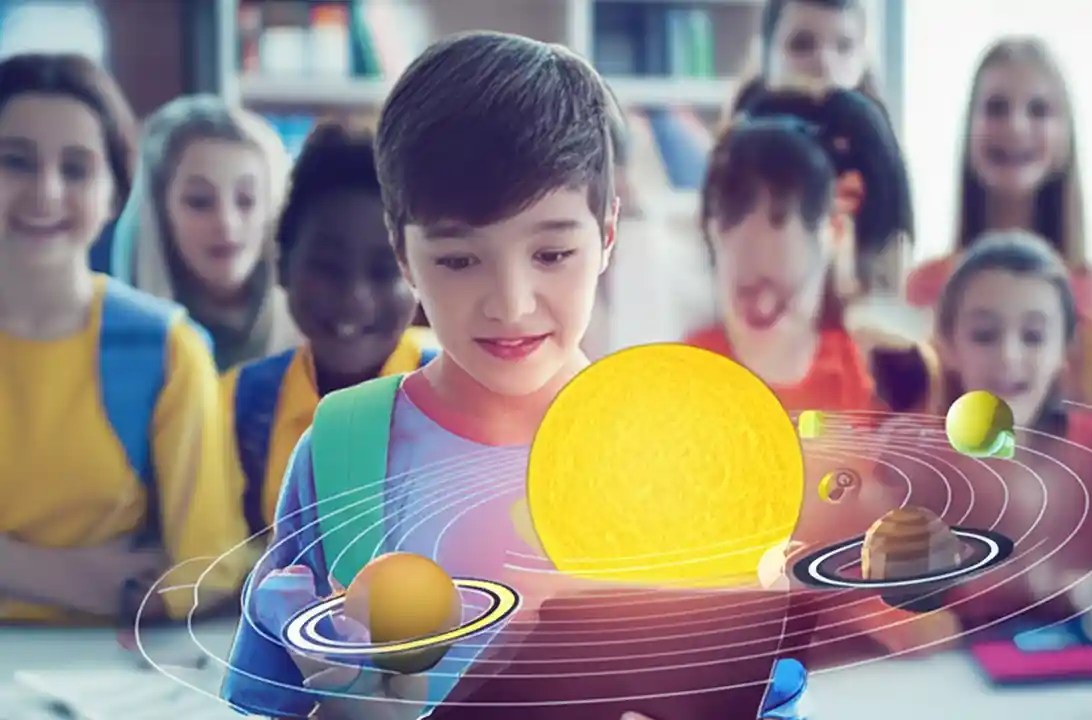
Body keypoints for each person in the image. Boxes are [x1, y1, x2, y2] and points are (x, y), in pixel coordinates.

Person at [221, 32, 790, 720]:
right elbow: (261, 703)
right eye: (460, 260)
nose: (511, 303)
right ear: (403, 253)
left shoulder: (685, 458)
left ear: (607, 233)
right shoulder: (343, 453)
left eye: (552, 252)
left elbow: (763, 699)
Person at [0, 53, 249, 625]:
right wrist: (70, 575)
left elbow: (211, 571)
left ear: (114, 194)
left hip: (109, 681)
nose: (45, 192)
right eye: (15, 162)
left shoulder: (165, 349)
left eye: (77, 168)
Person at [867, 232, 1092, 632]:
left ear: (1065, 349)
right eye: (984, 335)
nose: (1009, 356)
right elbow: (867, 595)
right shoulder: (909, 458)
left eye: (1033, 336)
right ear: (947, 344)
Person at [222, 122, 436, 538]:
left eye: (383, 270)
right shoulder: (239, 404)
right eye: (326, 267)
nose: (354, 298)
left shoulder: (460, 392)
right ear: (283, 265)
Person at [688, 87, 935, 415]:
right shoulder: (687, 376)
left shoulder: (872, 378)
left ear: (832, 233)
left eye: (781, 294)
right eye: (745, 292)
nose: (762, 302)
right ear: (713, 234)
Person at [906, 38, 1092, 403]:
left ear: (1065, 135)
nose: (1016, 126)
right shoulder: (924, 290)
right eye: (997, 108)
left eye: (1039, 110)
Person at [111, 94, 297, 370]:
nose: (226, 222)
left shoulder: (311, 334)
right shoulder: (120, 344)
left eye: (246, 200)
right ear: (161, 215)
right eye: (200, 201)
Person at [728, 0, 882, 117]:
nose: (825, 65)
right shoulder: (735, 151)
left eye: (844, 46)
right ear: (765, 59)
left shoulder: (880, 145)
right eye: (802, 45)